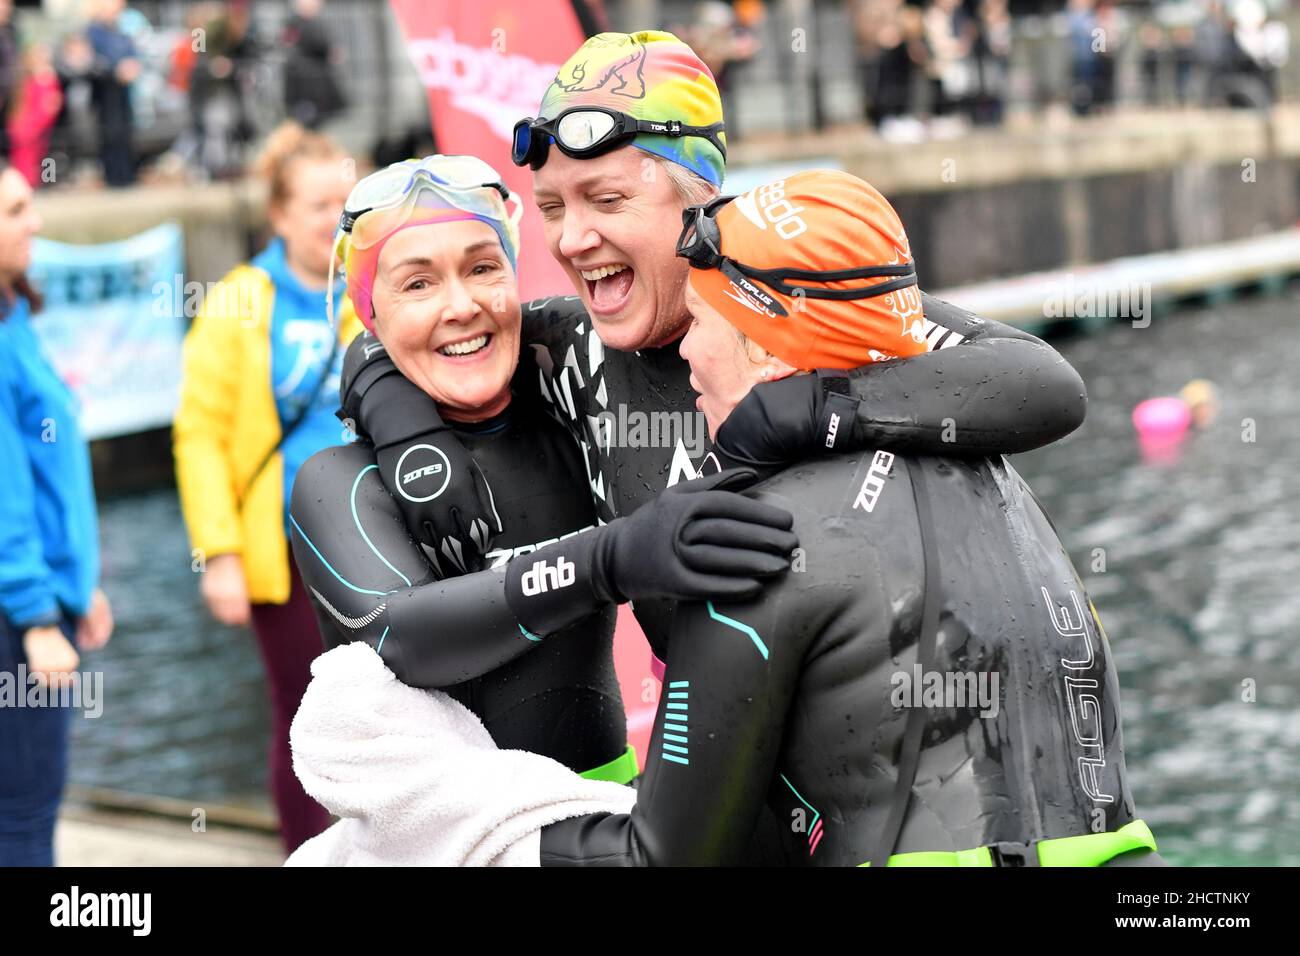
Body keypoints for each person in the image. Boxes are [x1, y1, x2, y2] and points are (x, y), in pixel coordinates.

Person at [341, 30, 1089, 673]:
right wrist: (409, 431)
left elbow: (1042, 384)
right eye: (552, 208)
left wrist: (816, 409)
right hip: (713, 779)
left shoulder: (795, 304)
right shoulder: (570, 348)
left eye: (607, 201)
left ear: (701, 200)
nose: (571, 240)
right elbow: (417, 339)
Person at [539, 169, 1161, 866]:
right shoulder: (1000, 481)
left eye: (703, 322)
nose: (683, 350)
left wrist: (490, 822)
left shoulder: (753, 539)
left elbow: (662, 854)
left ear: (768, 351)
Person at [289, 155, 797, 779]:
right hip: (459, 837)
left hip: (614, 815)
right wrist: (609, 559)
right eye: (417, 284)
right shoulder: (339, 481)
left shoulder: (573, 403)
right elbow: (402, 636)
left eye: (483, 268)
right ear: (371, 313)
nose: (461, 306)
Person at [172, 121, 358, 852]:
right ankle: (308, 856)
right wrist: (218, 553)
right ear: (279, 214)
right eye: (318, 206)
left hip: (376, 536)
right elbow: (200, 434)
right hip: (283, 548)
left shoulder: (372, 286)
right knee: (303, 711)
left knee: (396, 708)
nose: (335, 221)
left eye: (346, 203)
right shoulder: (240, 300)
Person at [0, 161, 114, 866]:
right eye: (14, 212)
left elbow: (47, 479)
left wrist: (81, 584)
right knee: (23, 811)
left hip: (40, 598)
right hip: (16, 619)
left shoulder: (14, 317)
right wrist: (39, 615)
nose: (36, 221)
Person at [85, 0, 140, 187]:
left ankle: (127, 177)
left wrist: (132, 66)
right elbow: (90, 63)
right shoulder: (93, 33)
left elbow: (132, 54)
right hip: (105, 94)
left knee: (125, 133)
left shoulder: (121, 32)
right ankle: (113, 179)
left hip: (122, 93)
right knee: (110, 135)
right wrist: (115, 71)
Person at [6, 44, 64, 188]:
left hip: (41, 125)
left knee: (47, 155)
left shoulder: (47, 79)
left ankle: (45, 182)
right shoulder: (27, 79)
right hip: (27, 125)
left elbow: (51, 104)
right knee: (24, 157)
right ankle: (25, 183)